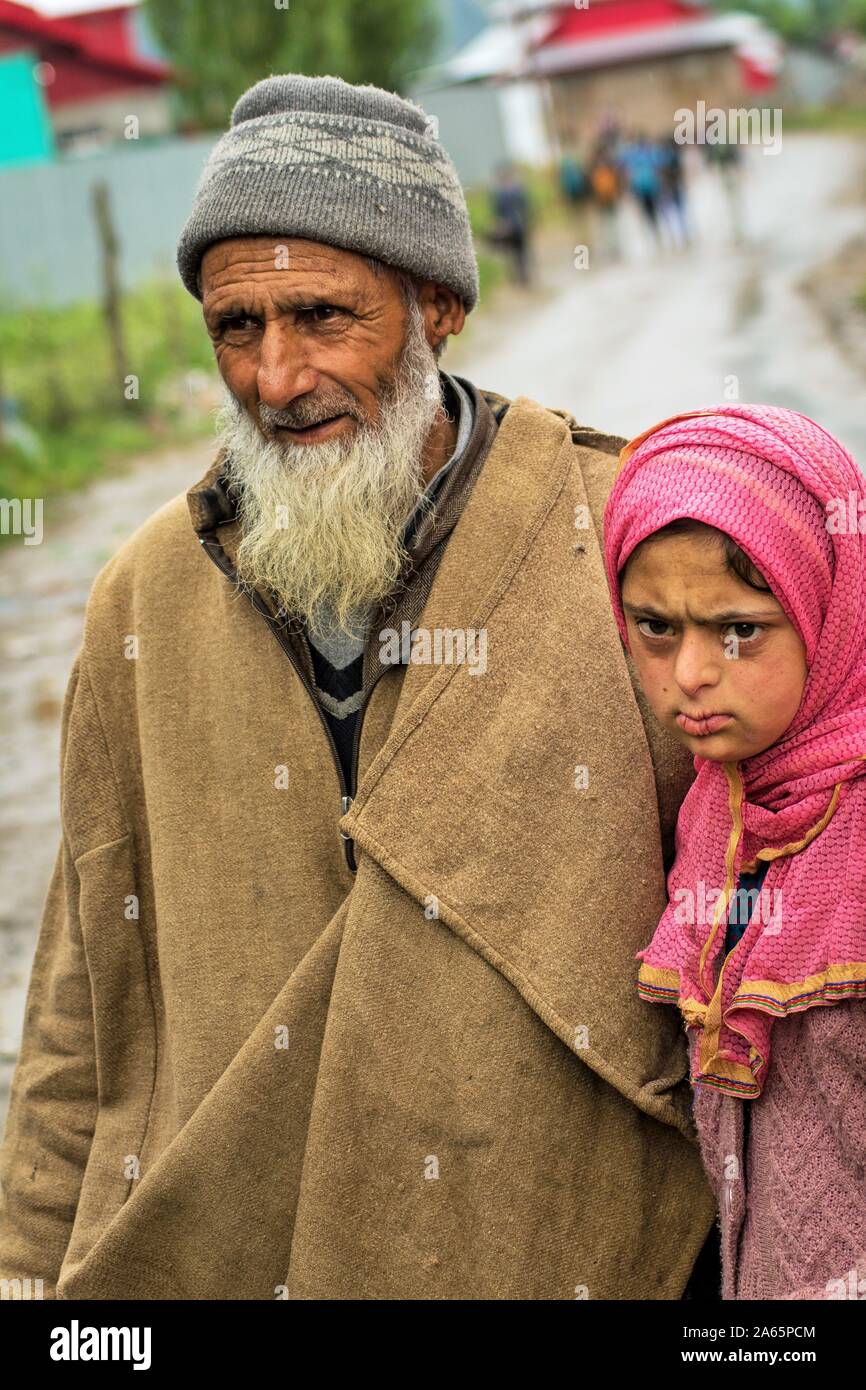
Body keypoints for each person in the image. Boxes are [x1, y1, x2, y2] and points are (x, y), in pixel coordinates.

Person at [0, 73, 716, 1301]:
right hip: (239, 1247)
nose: (276, 379)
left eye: (324, 317)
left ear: (438, 306)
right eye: (238, 328)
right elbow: (88, 979)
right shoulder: (145, 599)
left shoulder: (620, 536)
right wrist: (24, 1261)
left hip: (565, 1245)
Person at [603, 404, 866, 1300]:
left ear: (829, 610)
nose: (689, 677)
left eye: (739, 630)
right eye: (655, 628)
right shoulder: (719, 802)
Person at [486, 161, 532, 286]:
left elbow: (497, 212)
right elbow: (525, 206)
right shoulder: (518, 189)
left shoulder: (498, 193)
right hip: (519, 224)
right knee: (521, 251)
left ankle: (518, 277)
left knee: (512, 252)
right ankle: (524, 276)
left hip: (508, 227)